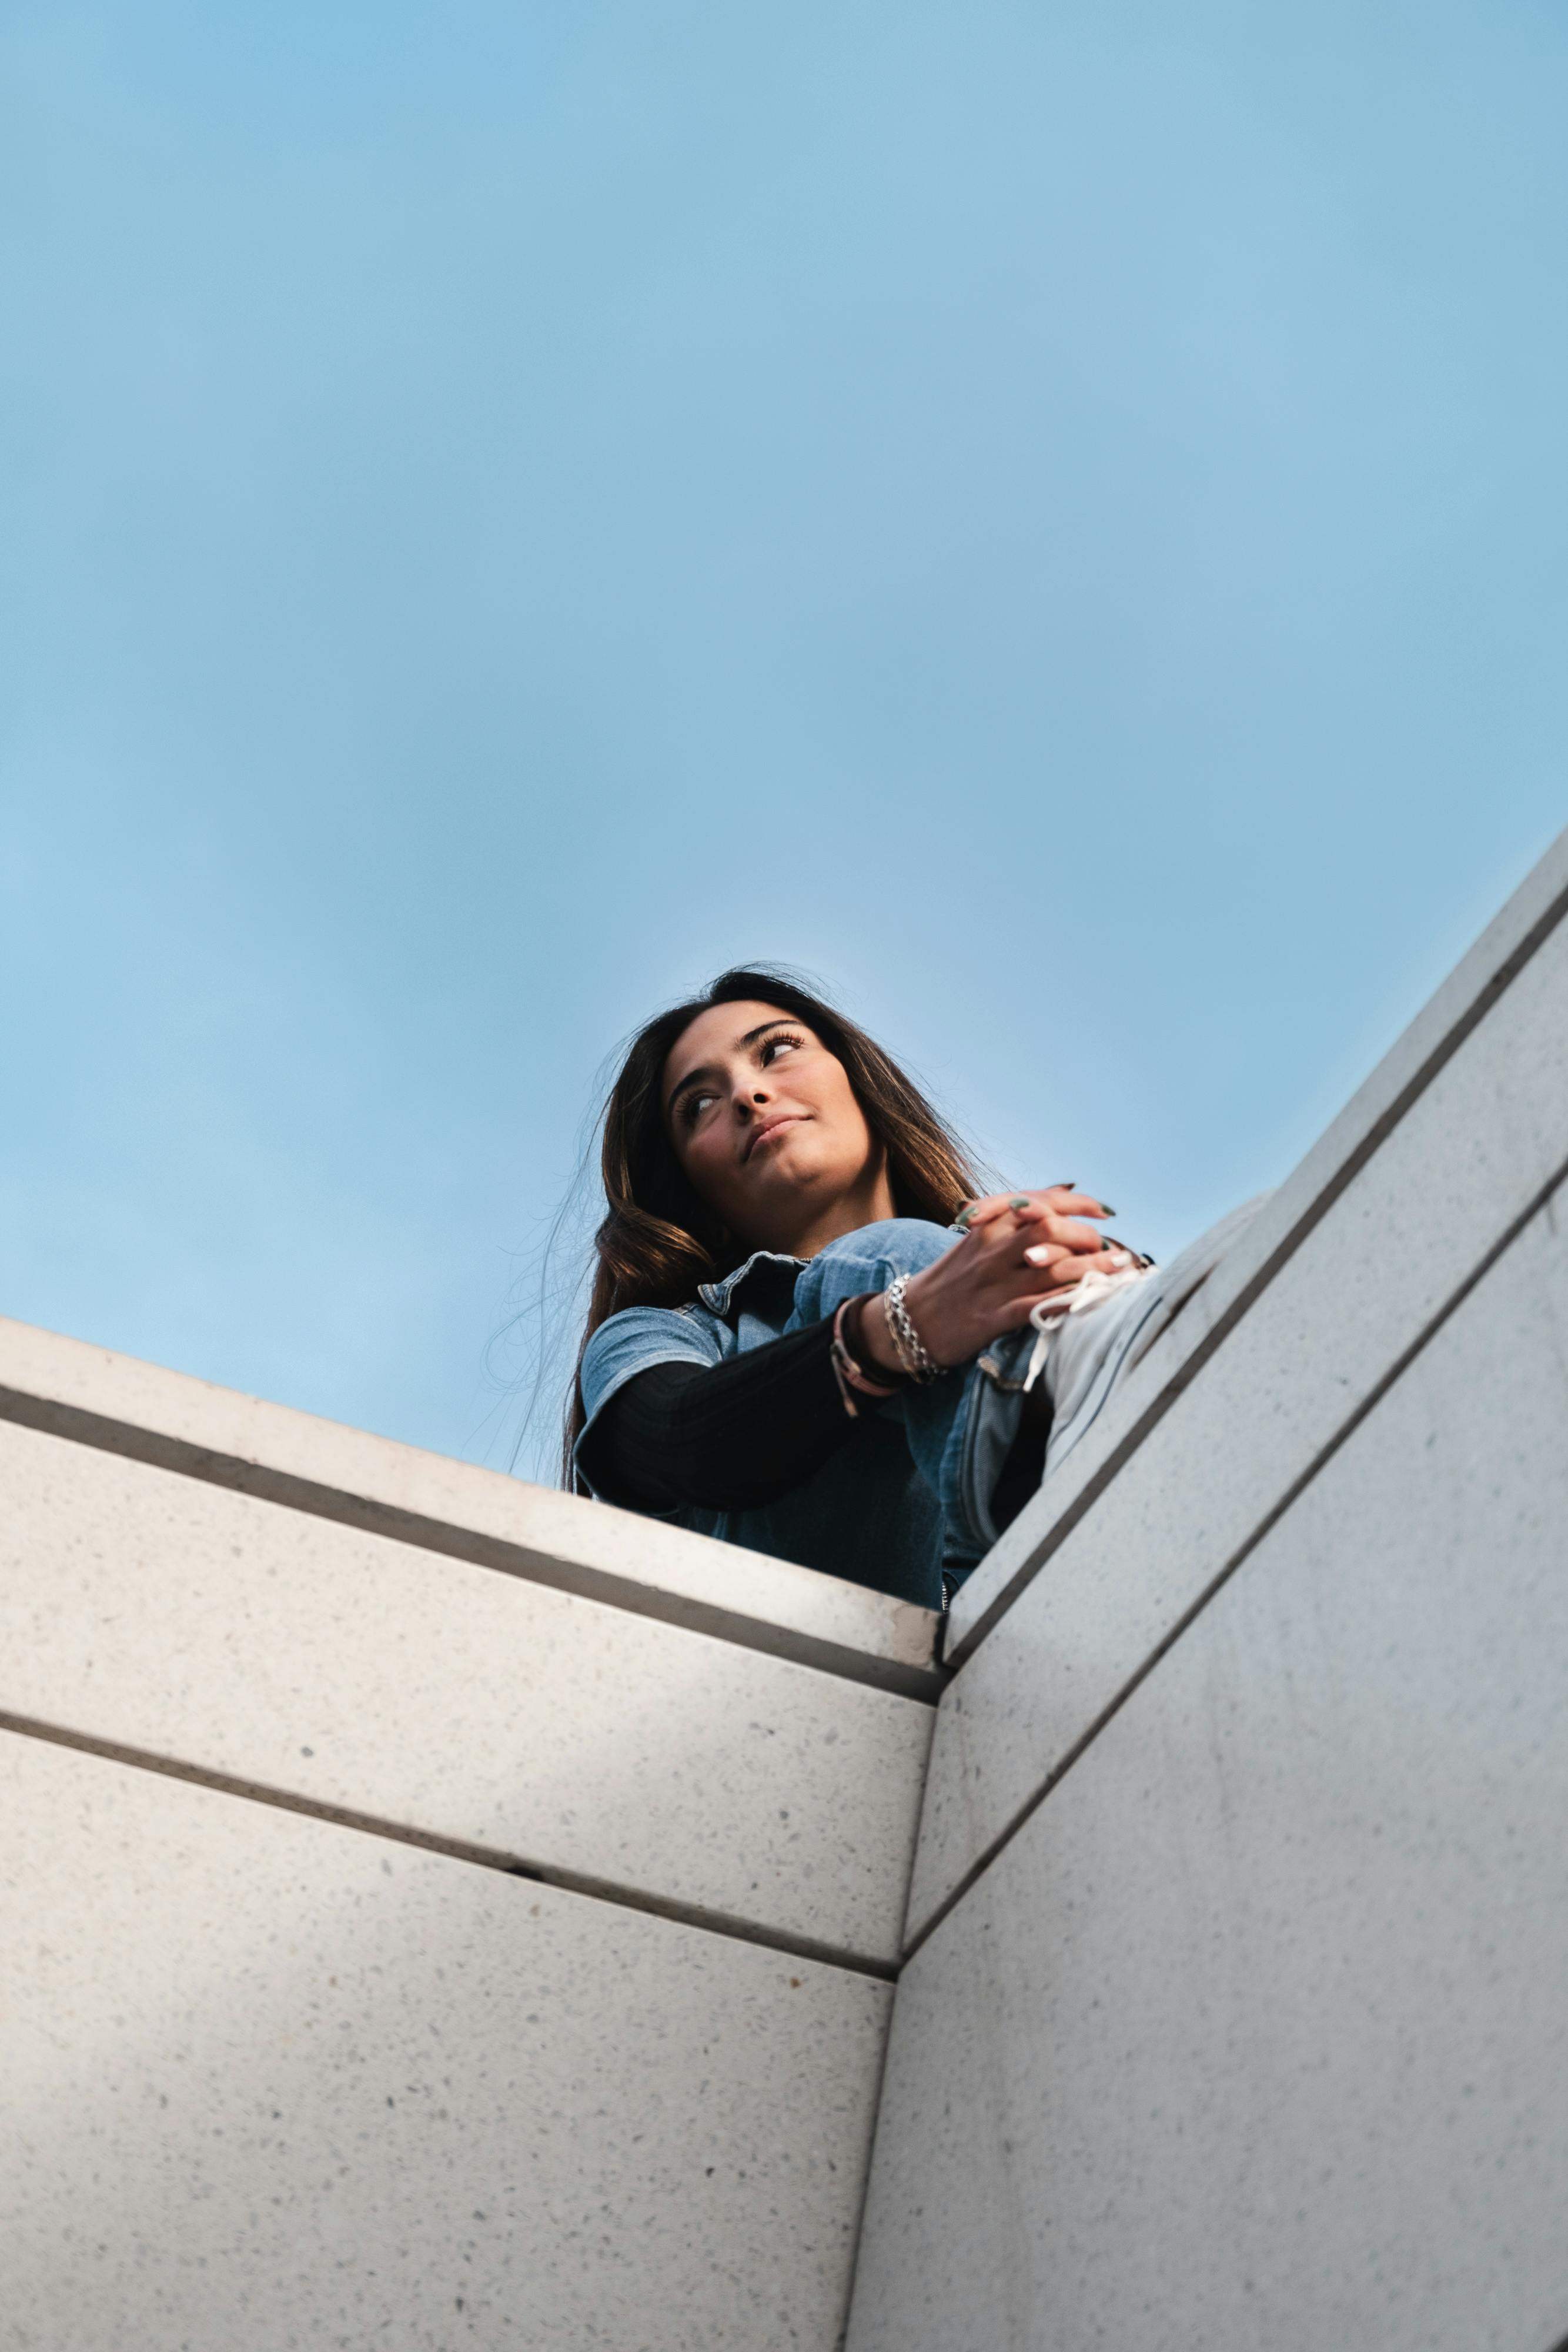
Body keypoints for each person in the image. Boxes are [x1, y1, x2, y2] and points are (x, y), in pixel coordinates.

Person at [569, 968, 1255, 1612]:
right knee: (879, 1257)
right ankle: (1085, 1385)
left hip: (1050, 1587)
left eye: (776, 1050)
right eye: (700, 1104)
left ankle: (1096, 1372)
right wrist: (893, 1332)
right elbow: (680, 1444)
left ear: (861, 1085)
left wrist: (1070, 1264)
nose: (749, 1095)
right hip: (846, 1647)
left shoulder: (1011, 1239)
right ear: (694, 1189)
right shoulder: (664, 1333)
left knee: (935, 1248)